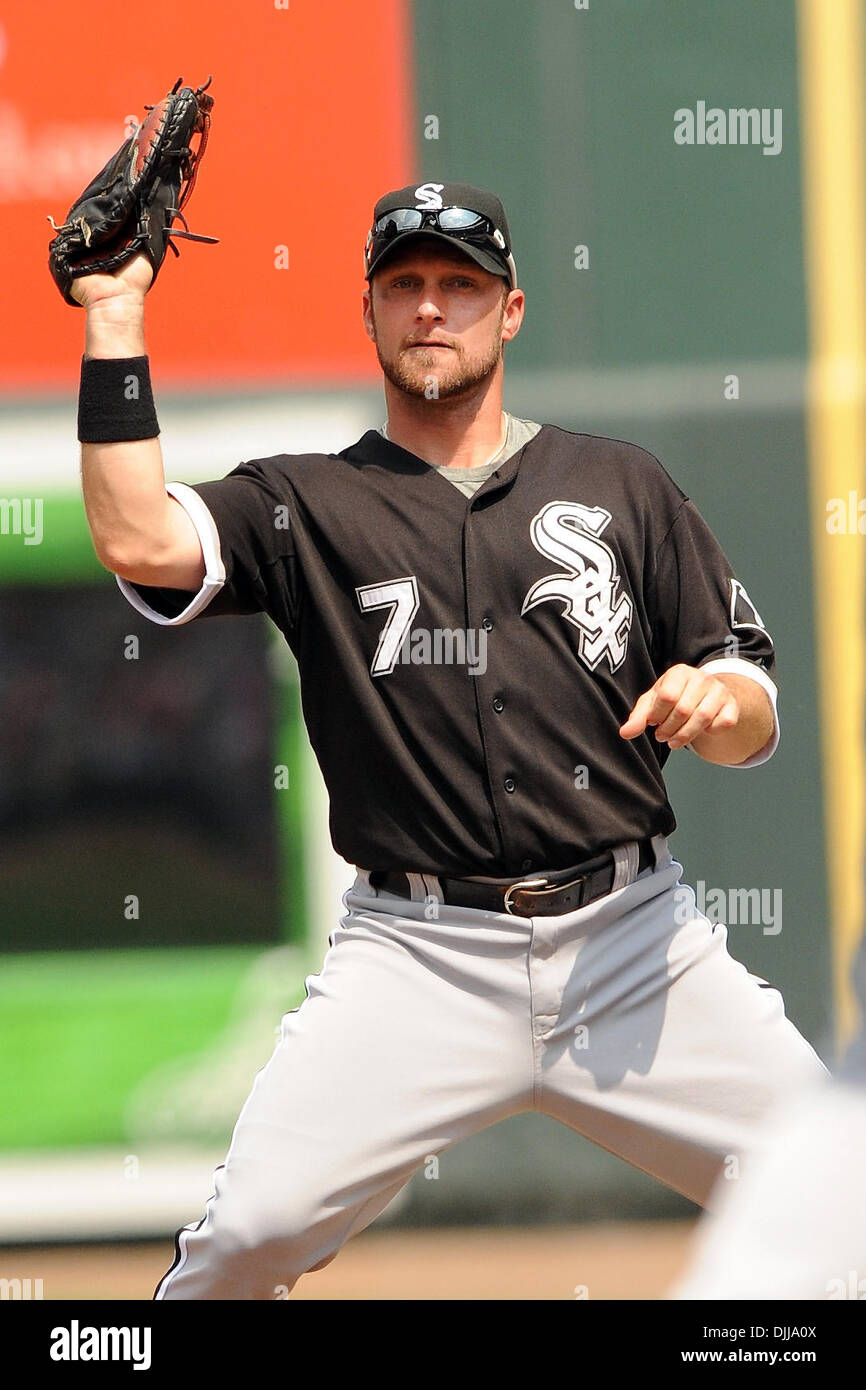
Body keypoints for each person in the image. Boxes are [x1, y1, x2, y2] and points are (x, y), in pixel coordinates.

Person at [72, 180, 827, 1300]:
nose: (432, 308)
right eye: (405, 285)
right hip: (415, 955)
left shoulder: (619, 482)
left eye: (459, 286)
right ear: (368, 313)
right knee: (244, 1242)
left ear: (510, 310)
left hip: (632, 945)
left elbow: (744, 694)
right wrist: (113, 316)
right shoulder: (306, 503)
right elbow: (136, 533)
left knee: (837, 1199)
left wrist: (719, 703)